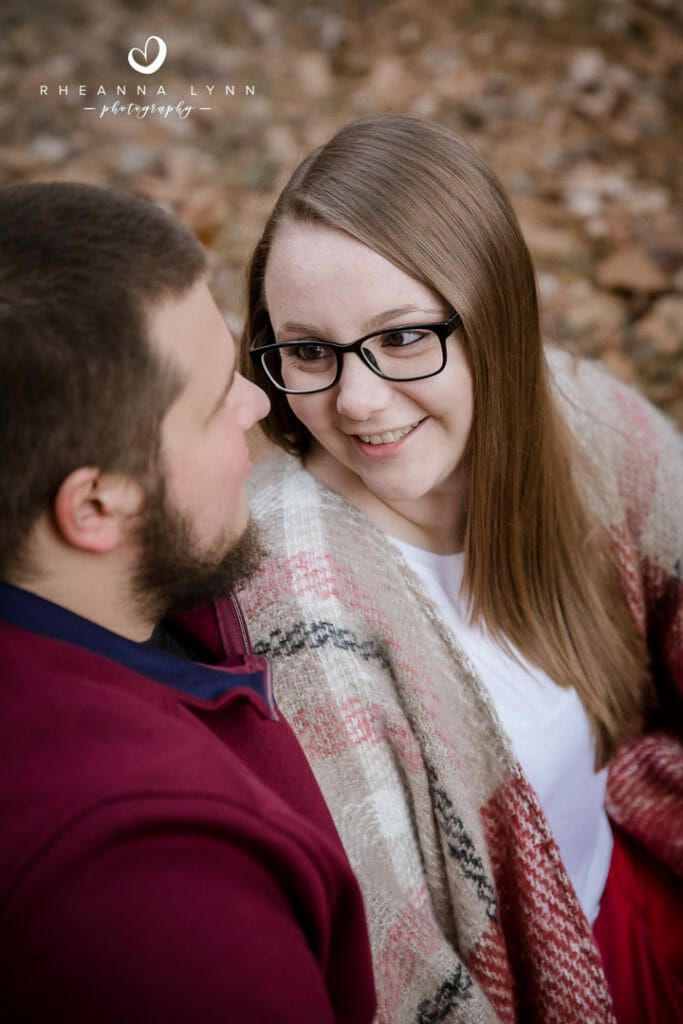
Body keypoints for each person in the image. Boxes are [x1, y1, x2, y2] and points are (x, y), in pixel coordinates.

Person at [238, 114, 683, 1024]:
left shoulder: (589, 429)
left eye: (402, 338)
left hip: (641, 907)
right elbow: (398, 976)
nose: (357, 402)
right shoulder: (296, 606)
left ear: (493, 321)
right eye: (309, 351)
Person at [0, 181, 376, 1023]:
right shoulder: (152, 894)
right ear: (95, 507)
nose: (258, 403)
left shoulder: (136, 605)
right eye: (214, 406)